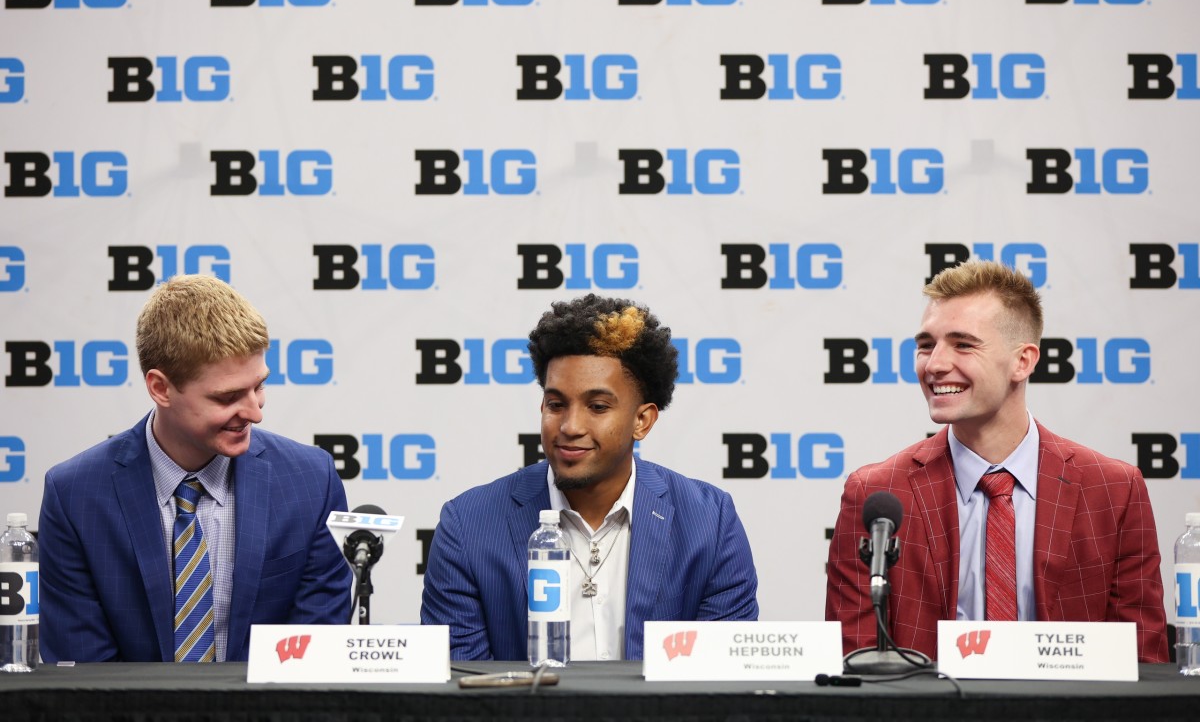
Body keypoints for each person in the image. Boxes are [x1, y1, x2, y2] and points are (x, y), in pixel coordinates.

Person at [825, 260, 1168, 662]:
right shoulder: (876, 492)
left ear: (1023, 361)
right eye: (925, 345)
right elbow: (853, 663)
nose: (934, 364)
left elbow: (1143, 663)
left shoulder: (1113, 490)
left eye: (963, 344)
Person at [421, 294, 759, 660]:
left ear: (642, 420)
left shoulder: (709, 523)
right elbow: (462, 688)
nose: (570, 426)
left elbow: (721, 683)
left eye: (597, 407)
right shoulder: (468, 525)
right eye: (556, 404)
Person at [38, 275, 352, 662]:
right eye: (227, 397)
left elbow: (313, 660)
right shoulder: (75, 496)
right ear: (161, 388)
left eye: (259, 387)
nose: (255, 412)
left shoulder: (310, 481)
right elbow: (85, 678)